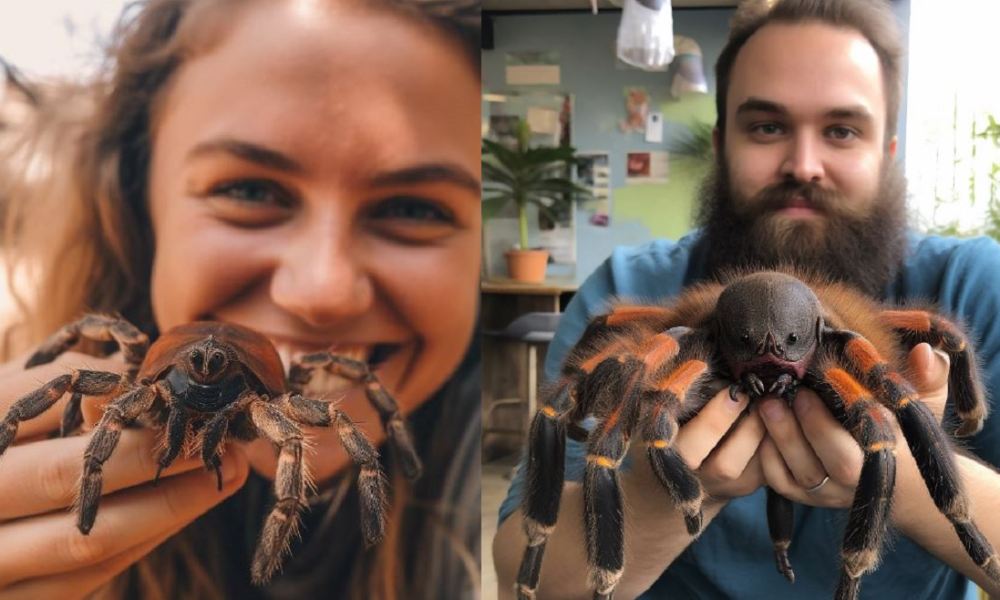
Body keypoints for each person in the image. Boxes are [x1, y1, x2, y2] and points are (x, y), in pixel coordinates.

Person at [493, 0, 1000, 598]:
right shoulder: (629, 292)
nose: (803, 165)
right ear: (719, 144)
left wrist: (907, 471)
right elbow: (520, 583)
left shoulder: (968, 285)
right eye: (767, 126)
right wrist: (660, 498)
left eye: (841, 130)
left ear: (889, 150)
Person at [0, 0, 481, 598]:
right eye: (249, 190)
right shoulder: (115, 378)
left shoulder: (478, 466)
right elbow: (71, 377)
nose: (320, 290)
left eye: (414, 209)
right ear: (135, 204)